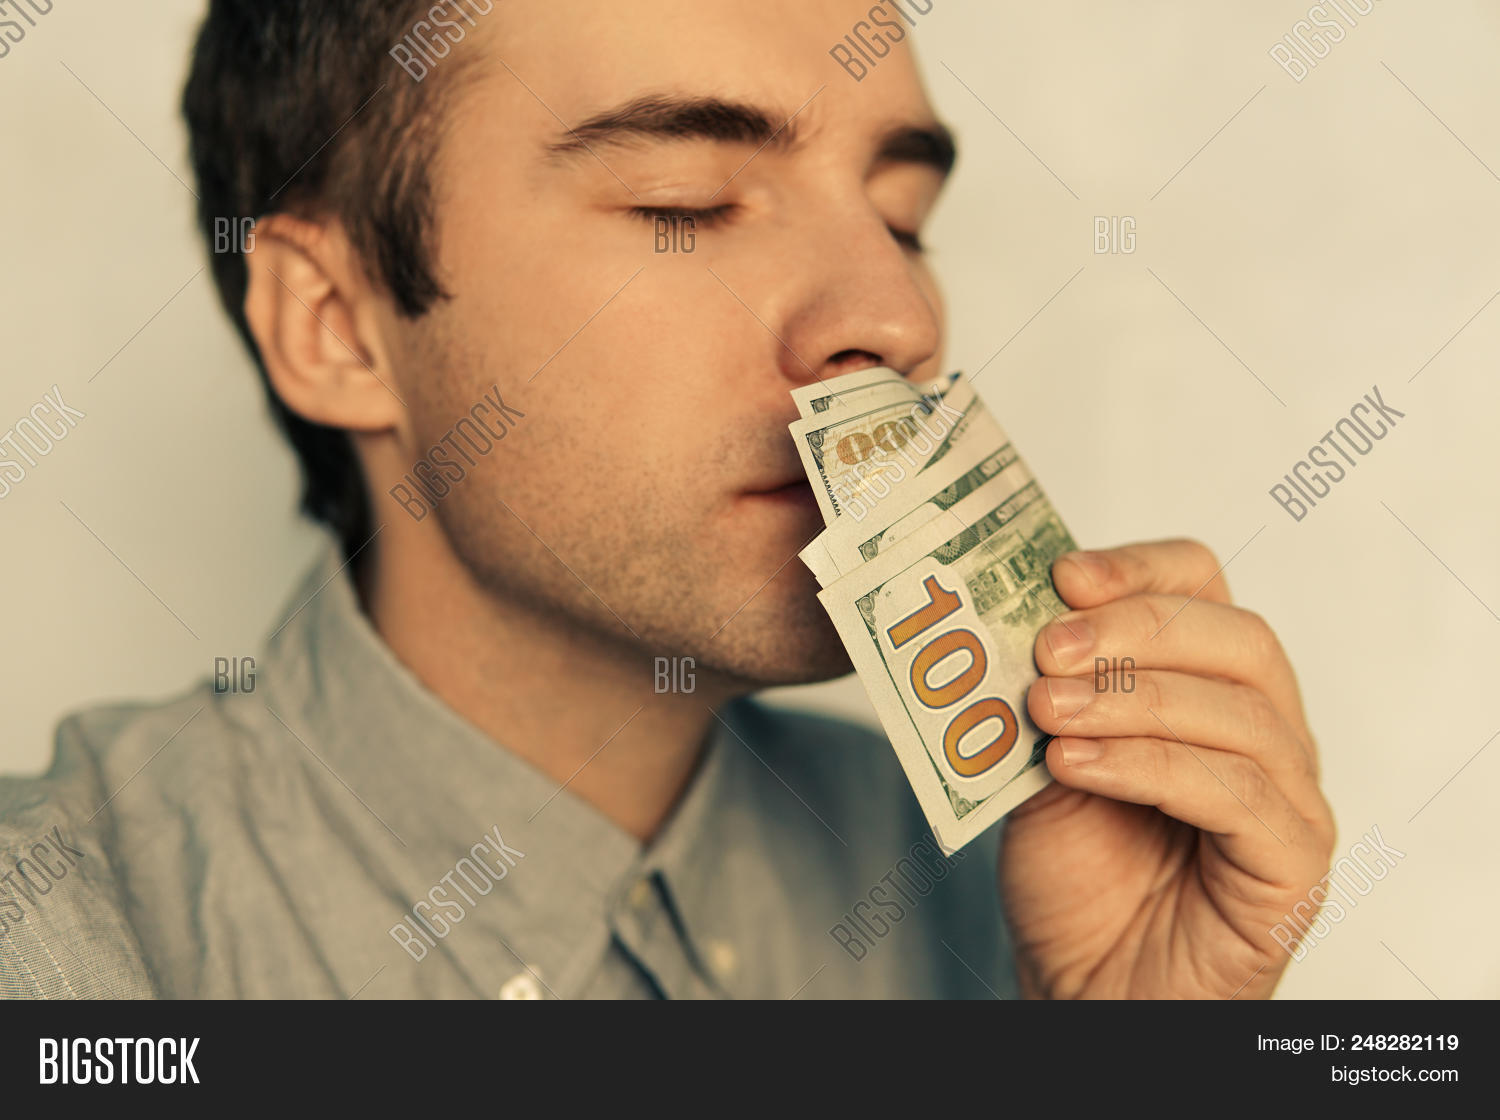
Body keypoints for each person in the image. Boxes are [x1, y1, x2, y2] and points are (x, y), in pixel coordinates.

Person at [0, 0, 1333, 999]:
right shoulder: (57, 930)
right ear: (338, 325)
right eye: (687, 206)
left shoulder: (1018, 879)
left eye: (903, 215)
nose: (896, 314)